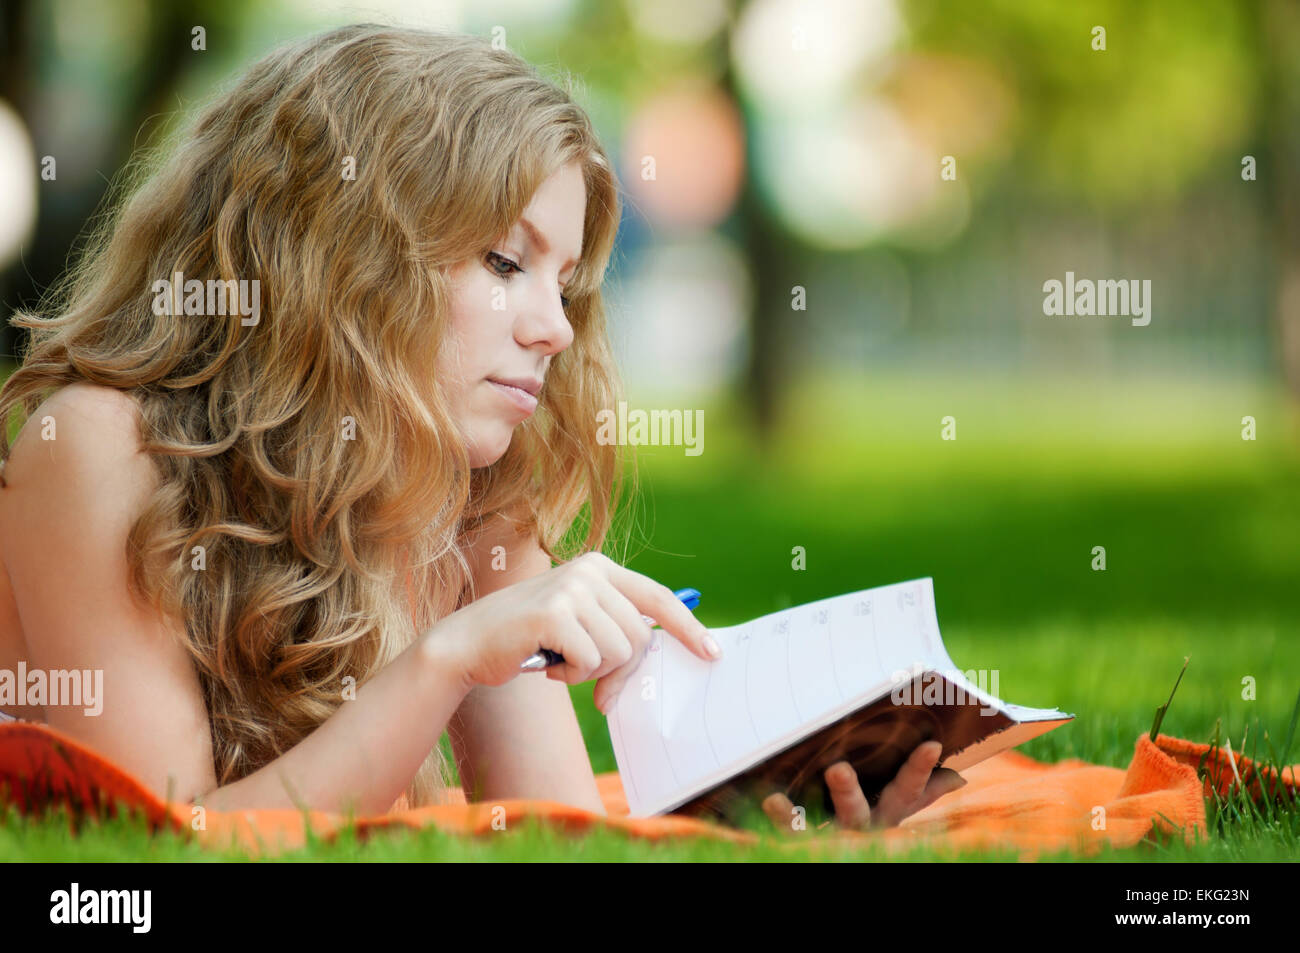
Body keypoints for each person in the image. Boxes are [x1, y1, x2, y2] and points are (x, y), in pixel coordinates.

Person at [0, 24, 964, 832]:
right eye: (506, 263)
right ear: (335, 256)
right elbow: (155, 852)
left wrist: (796, 838)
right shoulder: (100, 448)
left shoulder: (470, 504)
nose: (553, 326)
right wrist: (453, 653)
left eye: (566, 282)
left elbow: (549, 841)